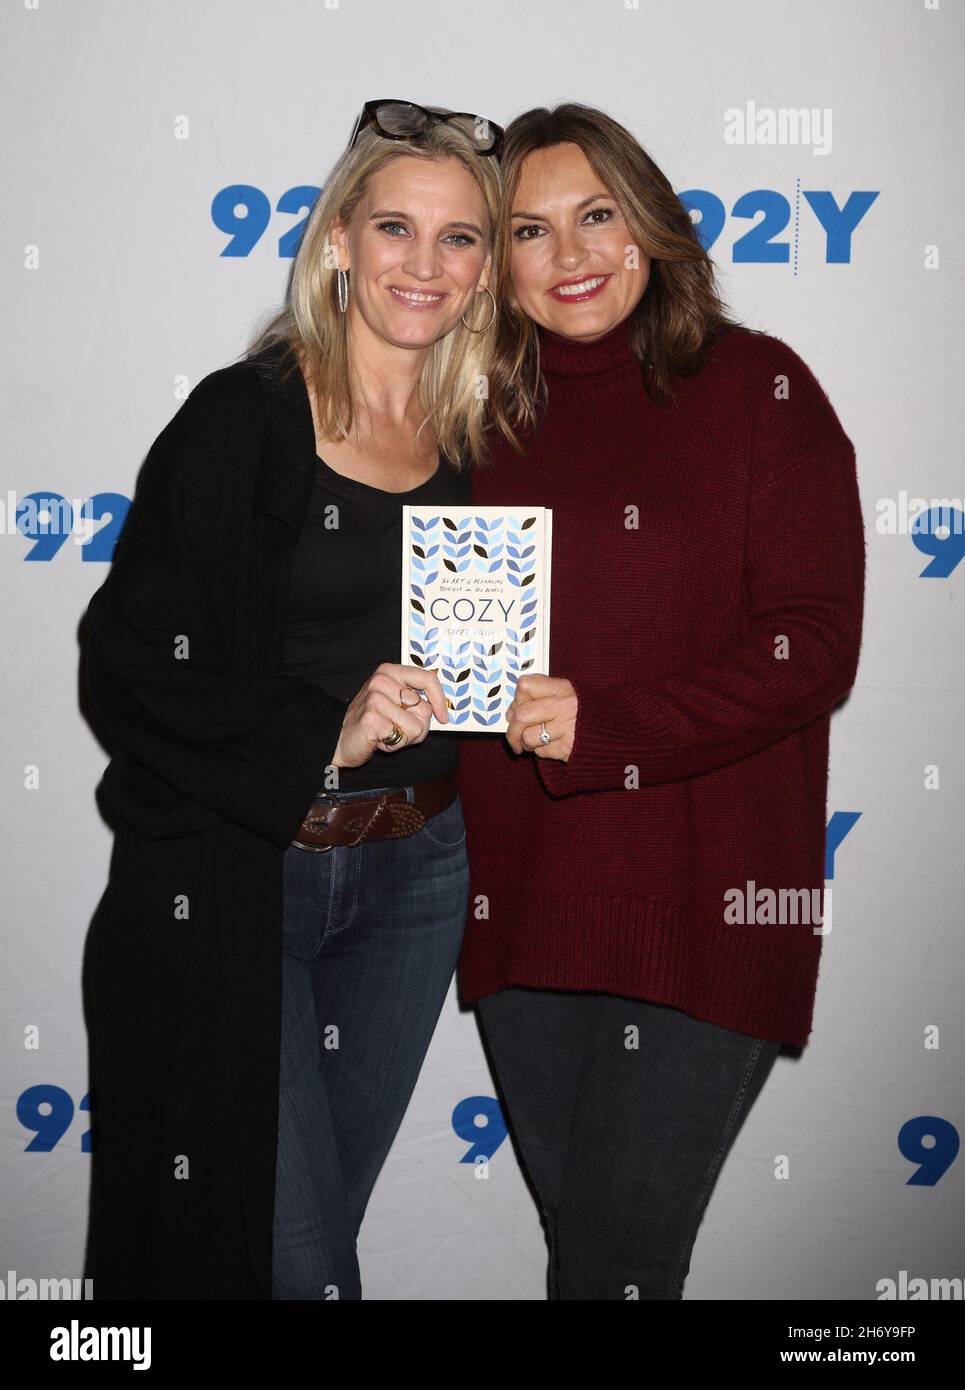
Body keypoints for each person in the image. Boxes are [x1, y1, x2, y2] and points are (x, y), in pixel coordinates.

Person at [82, 100, 502, 1300]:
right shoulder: (242, 418)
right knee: (292, 1262)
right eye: (393, 228)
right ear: (336, 242)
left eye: (460, 239)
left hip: (416, 881)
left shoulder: (483, 434)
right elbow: (128, 659)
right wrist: (323, 726)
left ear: (482, 272)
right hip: (242, 880)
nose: (423, 265)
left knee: (302, 1248)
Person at [456, 103, 866, 1300]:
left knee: (613, 1267)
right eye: (529, 230)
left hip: (706, 904)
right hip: (522, 908)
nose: (571, 255)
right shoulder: (471, 415)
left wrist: (607, 724)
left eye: (597, 215)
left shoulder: (757, 388)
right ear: (498, 261)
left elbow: (813, 644)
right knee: (590, 1265)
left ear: (653, 223)